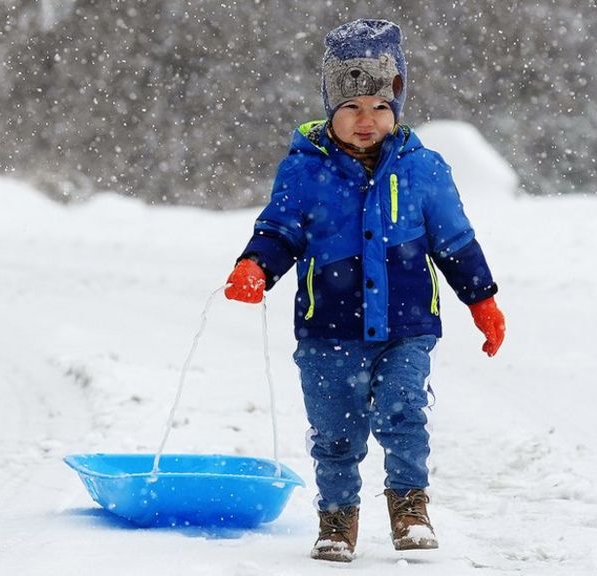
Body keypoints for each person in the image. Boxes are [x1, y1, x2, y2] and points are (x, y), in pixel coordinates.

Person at [223, 19, 506, 563]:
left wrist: (482, 300)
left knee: (404, 412)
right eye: (351, 106)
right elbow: (279, 231)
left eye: (379, 105)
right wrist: (256, 266)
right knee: (334, 430)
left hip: (406, 326)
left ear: (397, 107)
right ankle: (337, 517)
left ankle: (409, 504)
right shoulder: (305, 172)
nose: (365, 120)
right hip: (328, 326)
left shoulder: (424, 170)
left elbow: (455, 242)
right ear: (330, 108)